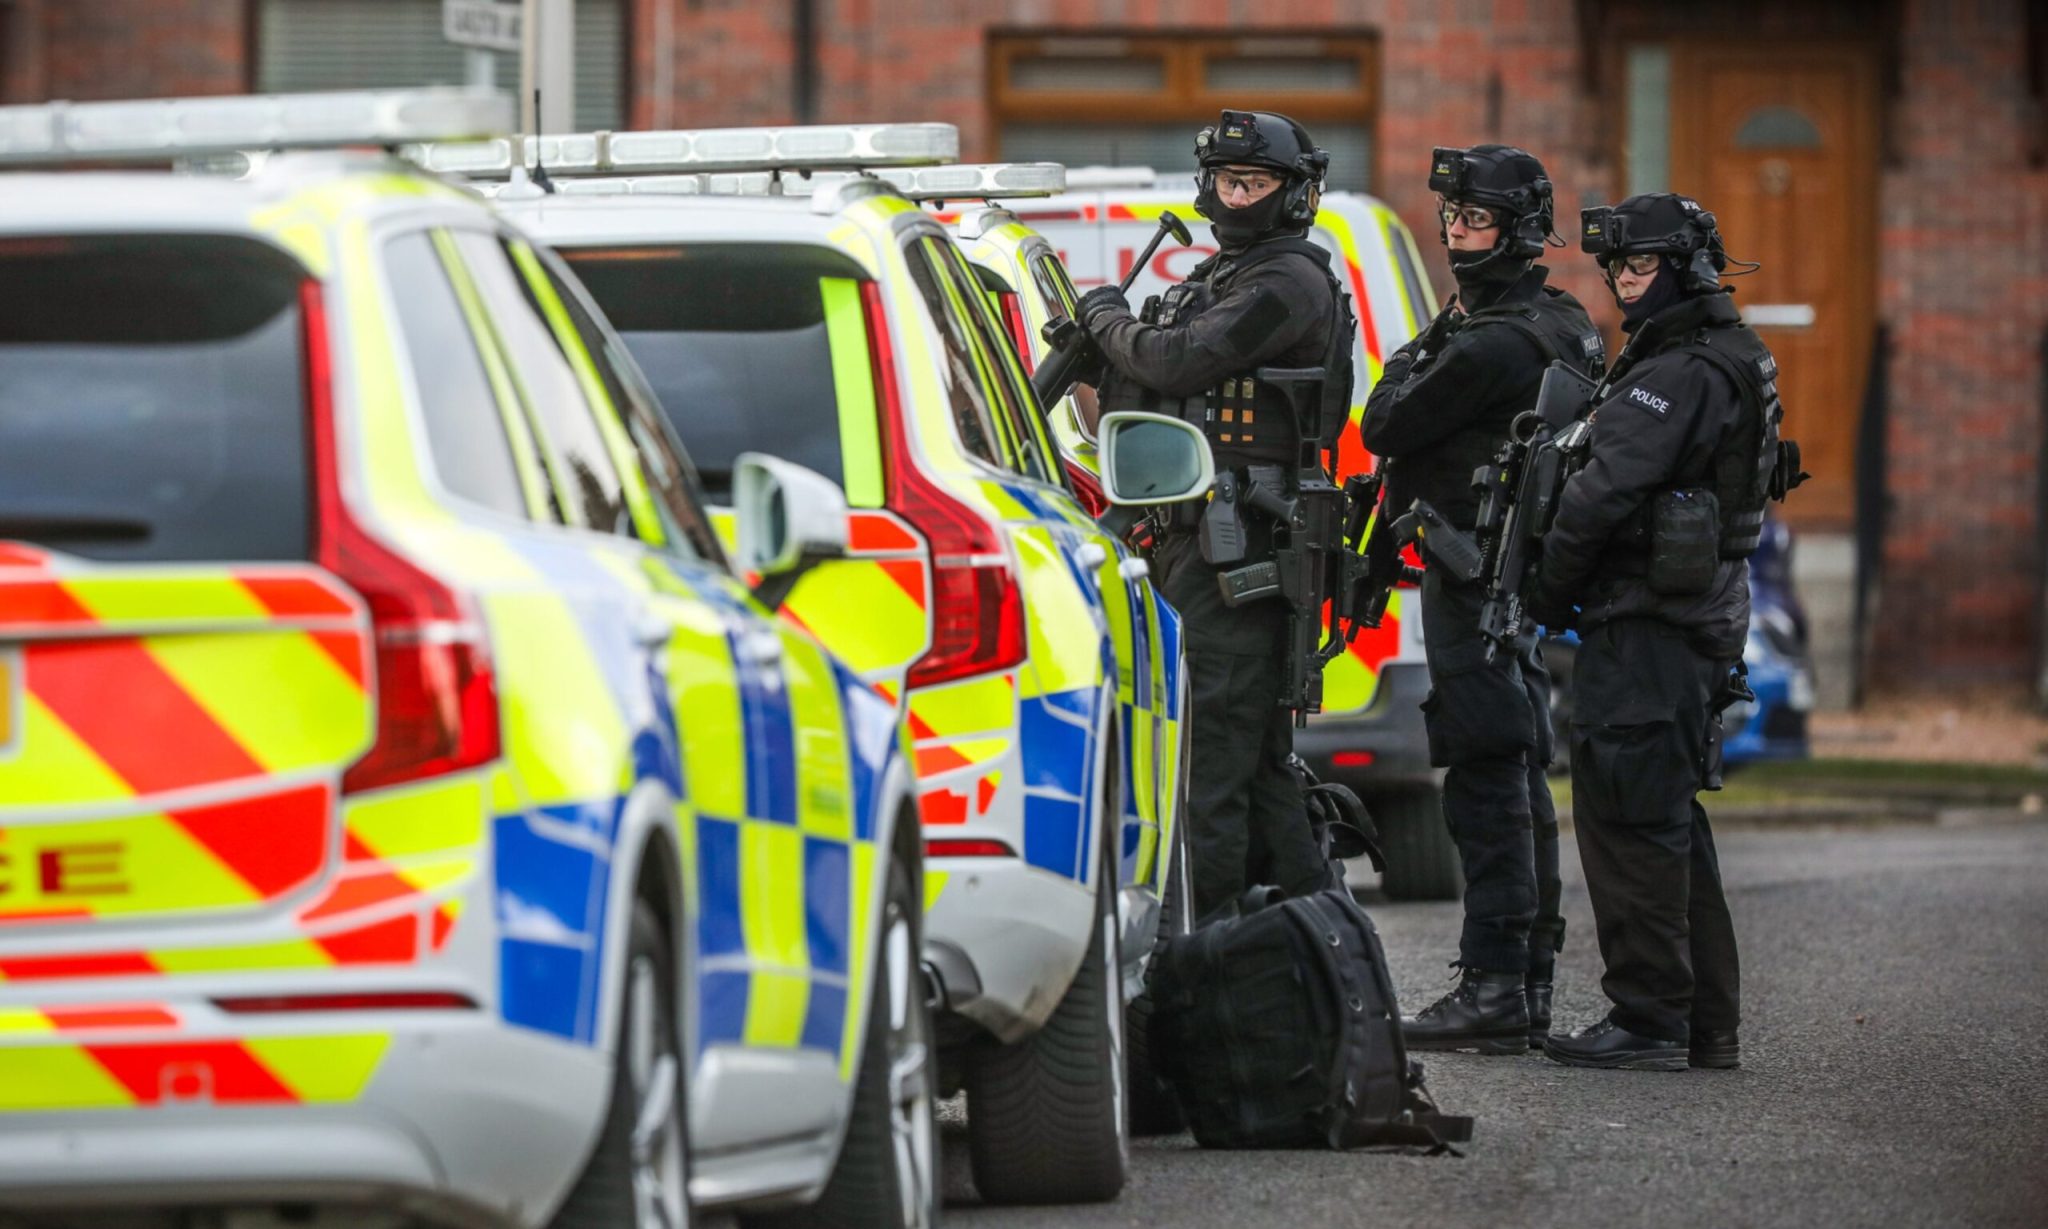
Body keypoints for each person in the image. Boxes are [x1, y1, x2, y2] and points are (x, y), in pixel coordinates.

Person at [1531, 191, 1794, 1070]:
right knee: (1668, 819)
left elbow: (1600, 493)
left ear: (1685, 268)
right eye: (1616, 271)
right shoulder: (1724, 352)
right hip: (1687, 619)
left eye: (1639, 268)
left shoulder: (1675, 372)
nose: (1624, 286)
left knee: (1629, 818)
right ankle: (1704, 1022)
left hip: (1653, 625)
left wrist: (1544, 590)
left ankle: (1650, 1016)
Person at [1358, 145, 1604, 1055]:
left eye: (1476, 221)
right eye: (1452, 218)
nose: (1458, 235)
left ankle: (1498, 985)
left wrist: (1410, 360)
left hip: (1474, 570)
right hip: (1503, 574)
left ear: (1521, 230)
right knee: (1512, 763)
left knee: (1485, 772)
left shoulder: (1499, 337)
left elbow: (1385, 419)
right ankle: (1523, 979)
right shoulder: (1558, 318)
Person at [1074, 110, 1347, 919]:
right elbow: (1149, 378)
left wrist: (1108, 321)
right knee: (1257, 769)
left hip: (1243, 554)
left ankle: (1210, 947)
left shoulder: (1287, 283)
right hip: (1202, 542)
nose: (1236, 199)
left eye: (1254, 184)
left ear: (1293, 194)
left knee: (1209, 768)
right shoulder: (1224, 276)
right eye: (1227, 183)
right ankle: (1321, 945)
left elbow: (1179, 357)